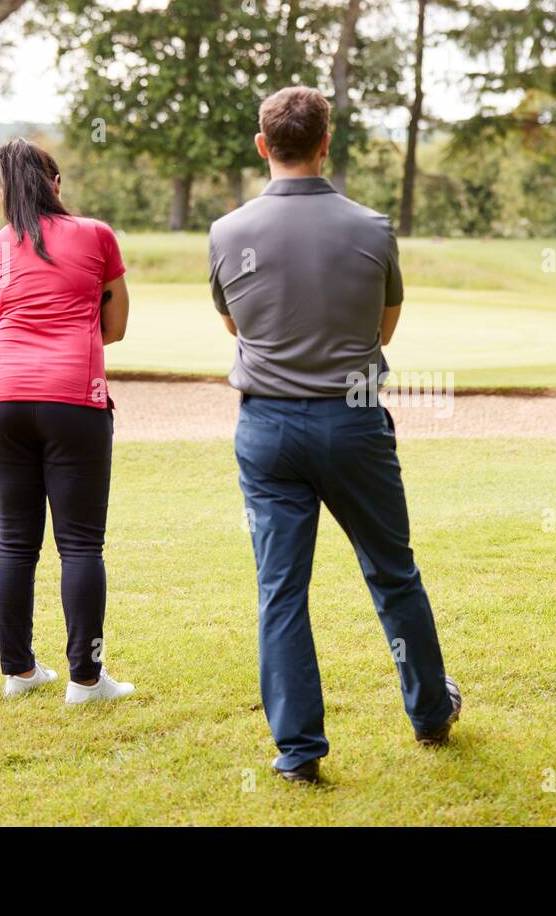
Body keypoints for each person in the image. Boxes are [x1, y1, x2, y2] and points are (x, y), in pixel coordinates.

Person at [209, 86, 461, 785]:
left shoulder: (227, 232)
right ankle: (431, 711)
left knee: (281, 588)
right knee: (392, 572)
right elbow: (384, 327)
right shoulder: (372, 227)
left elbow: (236, 326)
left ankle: (298, 752)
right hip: (353, 420)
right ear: (327, 143)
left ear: (263, 146)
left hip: (266, 426)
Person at [0, 138, 133, 704]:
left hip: (1, 399)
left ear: (5, 191)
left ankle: (18, 672)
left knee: (15, 541)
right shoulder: (96, 235)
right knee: (82, 546)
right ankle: (86, 681)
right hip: (75, 398)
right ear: (55, 183)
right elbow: (114, 327)